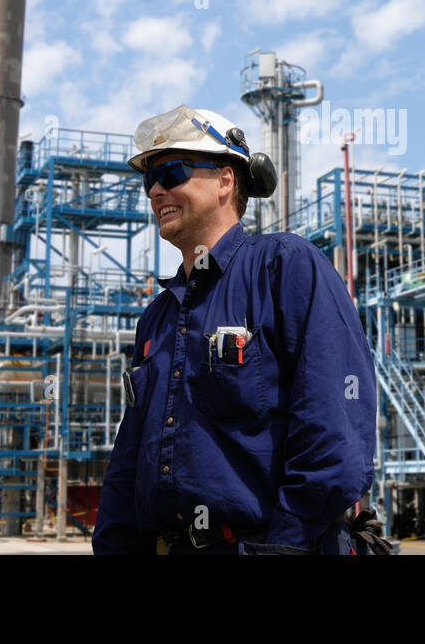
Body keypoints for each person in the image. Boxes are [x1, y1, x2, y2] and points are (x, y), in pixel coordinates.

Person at [93, 105, 379, 554]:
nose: (155, 190)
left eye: (171, 171)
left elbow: (334, 434)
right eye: (147, 180)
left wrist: (285, 547)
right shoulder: (157, 318)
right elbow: (129, 456)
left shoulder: (284, 268)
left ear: (226, 180)